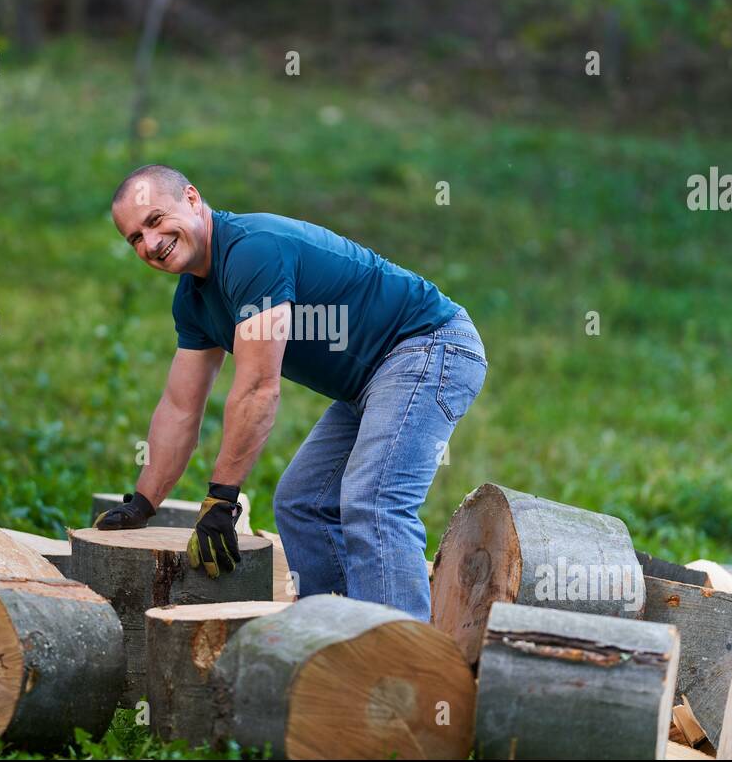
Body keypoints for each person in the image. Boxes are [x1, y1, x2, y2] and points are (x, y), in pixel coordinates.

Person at [94, 164, 487, 621]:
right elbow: (180, 407)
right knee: (302, 503)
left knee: (373, 501)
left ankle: (403, 660)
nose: (150, 242)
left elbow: (259, 389)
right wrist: (145, 502)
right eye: (135, 238)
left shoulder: (251, 252)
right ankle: (334, 636)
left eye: (155, 220)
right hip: (372, 379)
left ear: (193, 199)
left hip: (430, 346)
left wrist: (222, 498)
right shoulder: (194, 300)